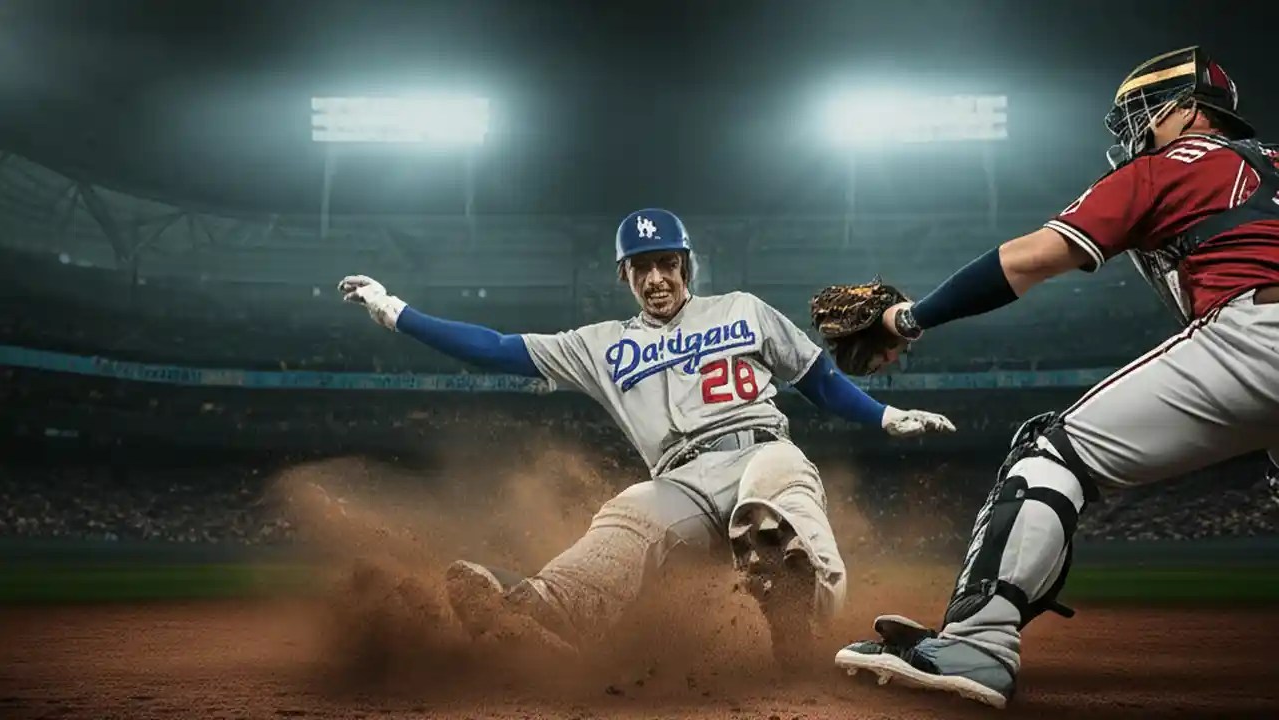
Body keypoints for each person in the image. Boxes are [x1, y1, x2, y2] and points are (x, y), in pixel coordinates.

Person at [833, 46, 1279, 708]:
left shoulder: (1165, 167)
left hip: (1260, 334)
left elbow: (1029, 260)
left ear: (1188, 111)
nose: (1136, 130)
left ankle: (976, 644)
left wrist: (907, 318)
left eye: (1145, 112)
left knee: (1049, 454)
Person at [339, 208, 955, 664]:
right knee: (626, 516)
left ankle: (801, 616)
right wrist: (397, 312)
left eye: (667, 263)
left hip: (759, 449)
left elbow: (816, 377)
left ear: (686, 266)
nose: (656, 277)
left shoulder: (742, 308)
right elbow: (497, 349)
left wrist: (884, 415)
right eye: (641, 267)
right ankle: (538, 608)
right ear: (625, 275)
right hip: (678, 480)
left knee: (779, 501)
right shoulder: (600, 344)